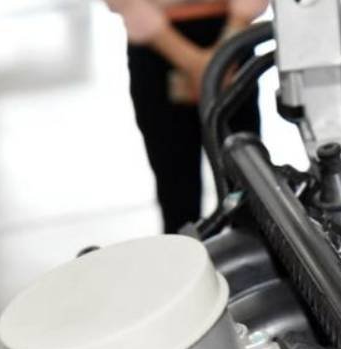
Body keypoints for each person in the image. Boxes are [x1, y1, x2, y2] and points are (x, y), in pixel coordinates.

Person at [105, 0, 269, 233]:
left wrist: (222, 49)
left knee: (248, 189)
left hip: (232, 39)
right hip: (156, 48)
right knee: (177, 194)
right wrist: (203, 66)